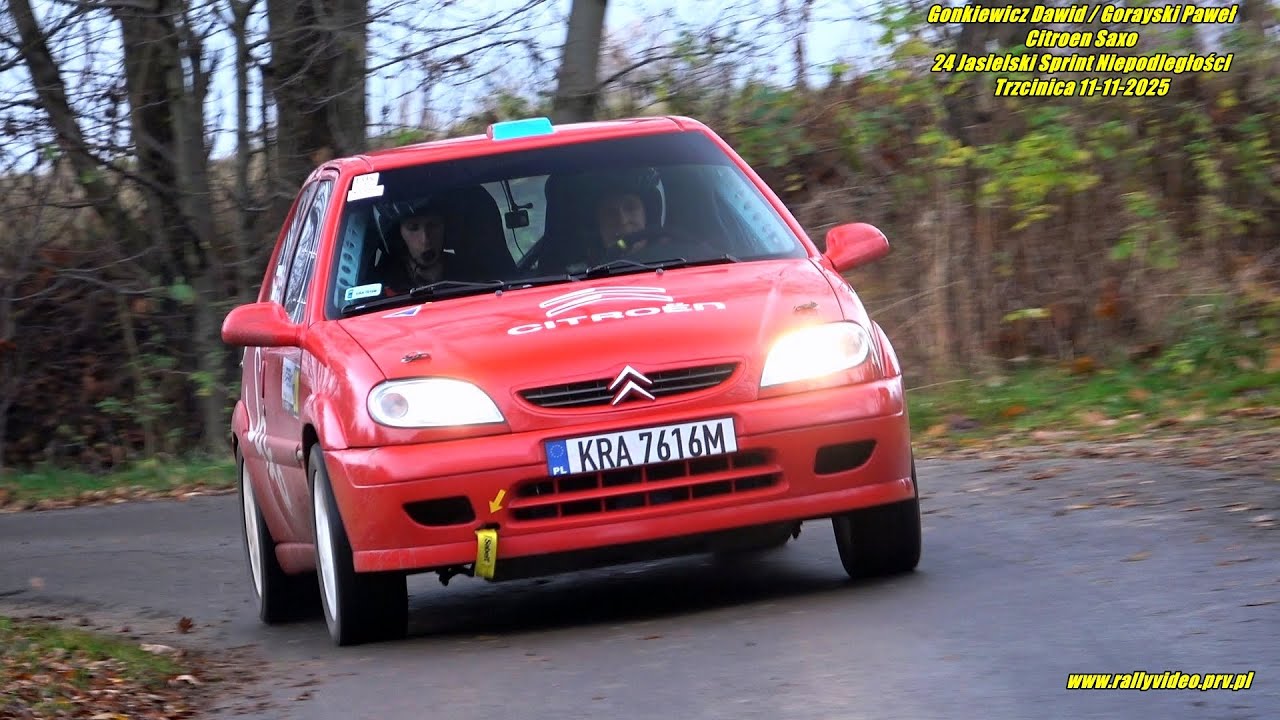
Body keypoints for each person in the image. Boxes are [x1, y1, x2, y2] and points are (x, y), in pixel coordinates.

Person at [378, 200, 448, 294]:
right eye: (413, 228)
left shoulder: (468, 272)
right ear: (399, 235)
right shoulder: (384, 284)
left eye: (433, 225)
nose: (425, 239)